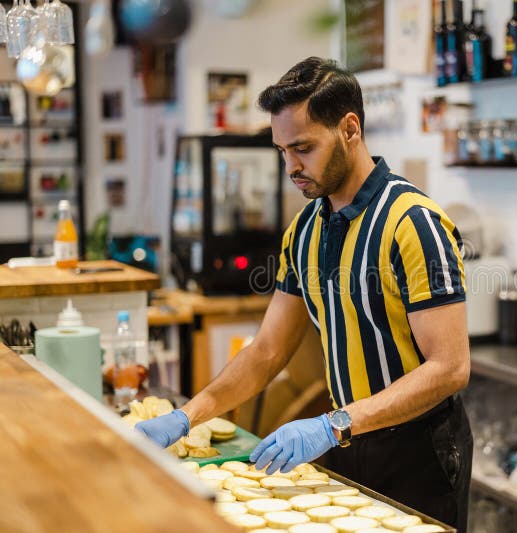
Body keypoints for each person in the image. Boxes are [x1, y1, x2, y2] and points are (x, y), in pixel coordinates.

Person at [136, 57, 473, 531]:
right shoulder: (305, 232)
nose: (291, 167)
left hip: (419, 453)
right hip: (347, 440)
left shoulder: (413, 223)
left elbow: (450, 367)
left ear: (350, 129)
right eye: (282, 151)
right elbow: (268, 351)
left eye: (303, 148)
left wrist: (331, 425)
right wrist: (188, 415)